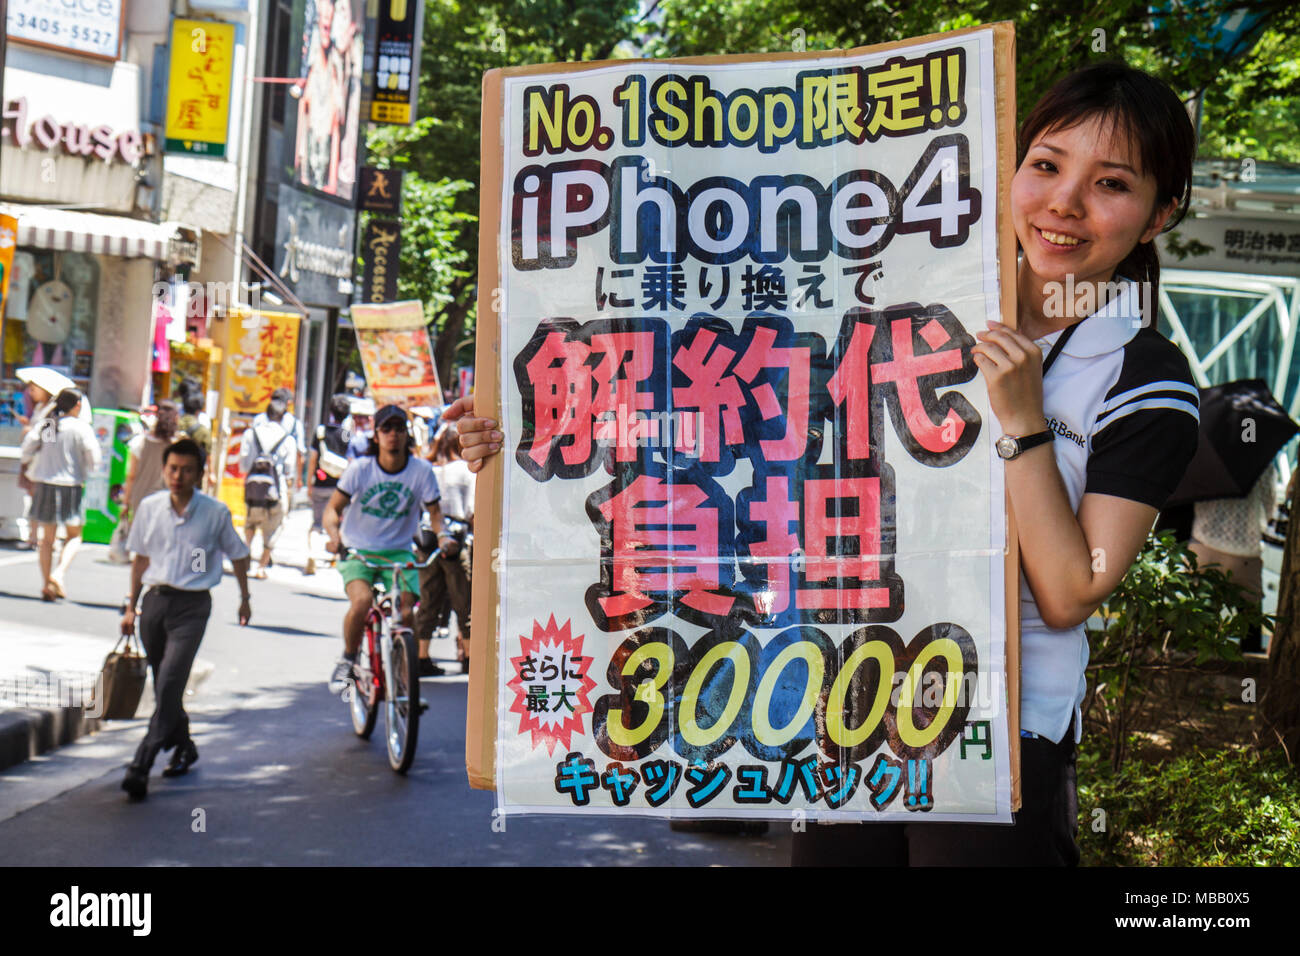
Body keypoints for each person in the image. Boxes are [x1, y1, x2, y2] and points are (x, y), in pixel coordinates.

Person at [447, 61, 1203, 866]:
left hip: (1001, 732)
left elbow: (1069, 590)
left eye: (1111, 184)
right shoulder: (890, 301)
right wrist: (528, 430)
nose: (1064, 203)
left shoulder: (1145, 376)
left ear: (1161, 213)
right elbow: (710, 427)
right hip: (845, 703)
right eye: (1046, 165)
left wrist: (1019, 423)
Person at [120, 439, 252, 800]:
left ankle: (140, 765)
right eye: (173, 468)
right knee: (165, 683)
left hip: (192, 608)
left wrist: (245, 598)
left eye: (187, 469)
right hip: (155, 604)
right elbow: (140, 559)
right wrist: (131, 607)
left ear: (200, 473)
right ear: (165, 470)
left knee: (168, 684)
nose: (178, 476)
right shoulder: (149, 507)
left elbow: (239, 554)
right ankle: (185, 746)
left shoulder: (214, 512)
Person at [322, 404, 442, 692]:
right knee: (362, 602)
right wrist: (333, 535)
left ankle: (403, 671)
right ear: (376, 435)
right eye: (386, 429)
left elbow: (435, 514)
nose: (393, 435)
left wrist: (445, 536)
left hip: (399, 552)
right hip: (358, 551)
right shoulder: (360, 470)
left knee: (405, 611)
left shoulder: (421, 471)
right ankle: (349, 658)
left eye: (399, 428)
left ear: (406, 434)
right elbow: (332, 509)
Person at [19, 388, 101, 602]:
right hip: (71, 485)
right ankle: (59, 573)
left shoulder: (50, 425)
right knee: (74, 534)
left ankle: (46, 583)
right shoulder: (81, 428)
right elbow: (94, 459)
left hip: (45, 483)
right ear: (77, 405)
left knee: (47, 539)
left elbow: (29, 448)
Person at [415, 425, 475, 675]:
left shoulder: (426, 470)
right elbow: (472, 510)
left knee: (429, 601)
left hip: (427, 542)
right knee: (464, 603)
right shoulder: (465, 470)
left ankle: (421, 657)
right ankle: (469, 658)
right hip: (455, 541)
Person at [239, 396, 298, 578]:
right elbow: (289, 470)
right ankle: (261, 567)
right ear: (283, 416)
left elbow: (243, 464)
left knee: (250, 522)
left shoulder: (251, 434)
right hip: (276, 491)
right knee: (274, 527)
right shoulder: (288, 439)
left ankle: (246, 555)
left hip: (252, 489)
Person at [304, 394, 352, 575]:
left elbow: (313, 458)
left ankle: (312, 555)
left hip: (320, 482)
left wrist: (308, 483)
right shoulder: (348, 435)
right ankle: (335, 557)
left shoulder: (321, 431)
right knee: (338, 522)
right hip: (340, 488)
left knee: (317, 522)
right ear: (347, 415)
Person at [122, 400, 180, 520]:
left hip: (140, 496)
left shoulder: (141, 442)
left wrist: (126, 502)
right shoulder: (176, 446)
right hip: (165, 498)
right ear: (176, 418)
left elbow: (131, 475)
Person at [252, 387, 305, 492]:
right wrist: (299, 478)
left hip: (256, 478)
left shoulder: (258, 420)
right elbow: (300, 454)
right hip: (281, 481)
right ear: (288, 403)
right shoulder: (294, 424)